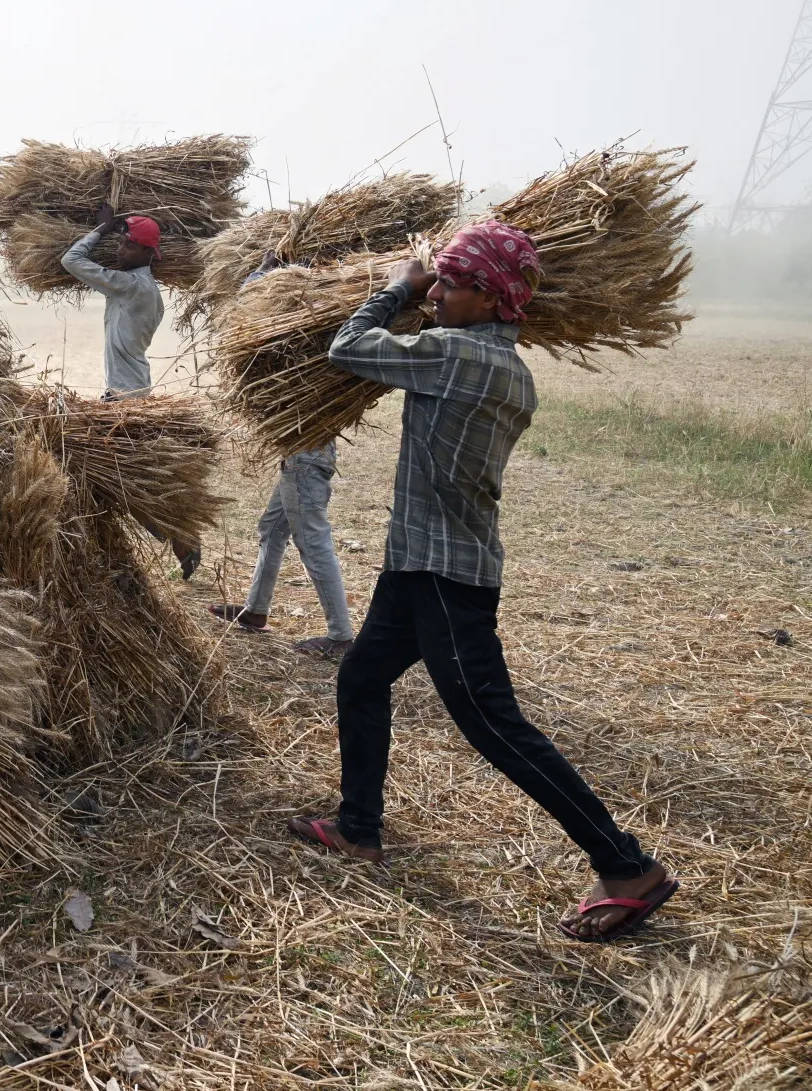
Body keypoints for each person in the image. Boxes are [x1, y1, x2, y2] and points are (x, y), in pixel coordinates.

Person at [287, 221, 676, 942]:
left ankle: (626, 866)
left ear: (492, 298)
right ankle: (358, 826)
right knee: (362, 677)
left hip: (444, 573)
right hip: (418, 562)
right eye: (435, 281)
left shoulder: (457, 354)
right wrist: (425, 295)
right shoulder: (507, 367)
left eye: (451, 284)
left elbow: (346, 348)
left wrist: (397, 289)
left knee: (493, 723)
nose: (436, 293)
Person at [211, 247, 355, 658]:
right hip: (303, 451)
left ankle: (341, 636)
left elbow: (247, 309)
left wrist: (263, 270)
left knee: (312, 538)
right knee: (272, 528)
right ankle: (255, 611)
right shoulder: (326, 324)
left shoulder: (302, 327)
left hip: (307, 453)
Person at [64, 202, 201, 579]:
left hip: (125, 398)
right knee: (111, 474)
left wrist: (102, 230)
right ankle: (173, 538)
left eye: (128, 245)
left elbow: (71, 260)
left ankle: (180, 537)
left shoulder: (132, 287)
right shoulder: (137, 286)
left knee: (118, 479)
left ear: (148, 253)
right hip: (125, 393)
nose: (120, 250)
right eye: (120, 243)